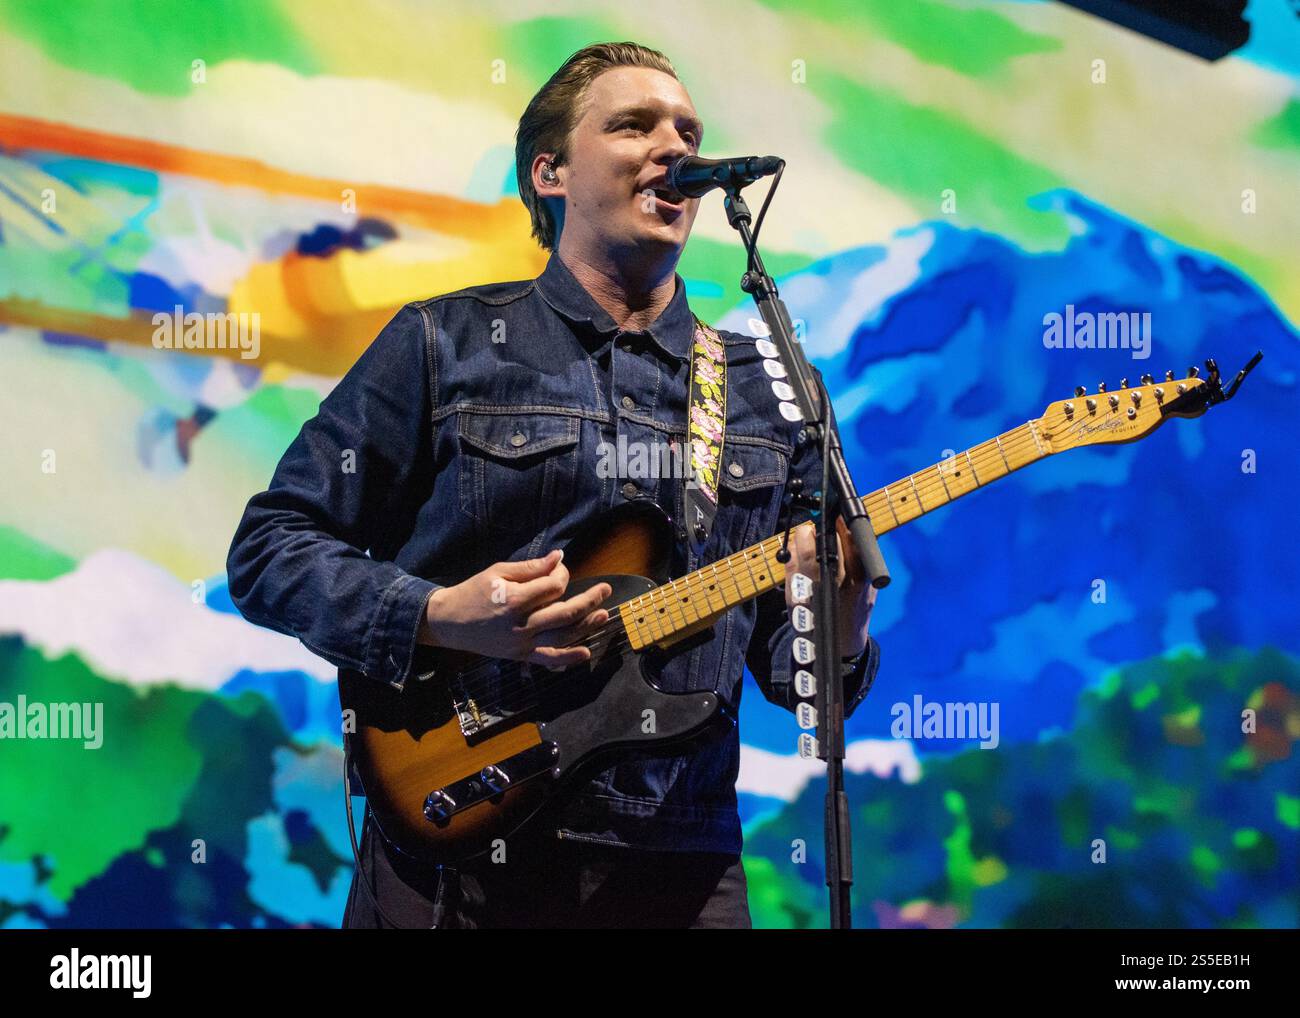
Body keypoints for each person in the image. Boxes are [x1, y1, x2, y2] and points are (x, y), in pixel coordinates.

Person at [226, 40, 881, 929]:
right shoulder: (444, 343)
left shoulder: (775, 392)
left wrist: (841, 616)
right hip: (462, 844)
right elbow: (271, 548)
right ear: (551, 173)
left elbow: (801, 684)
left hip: (678, 867)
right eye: (633, 125)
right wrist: (435, 614)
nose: (675, 147)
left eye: (688, 130)